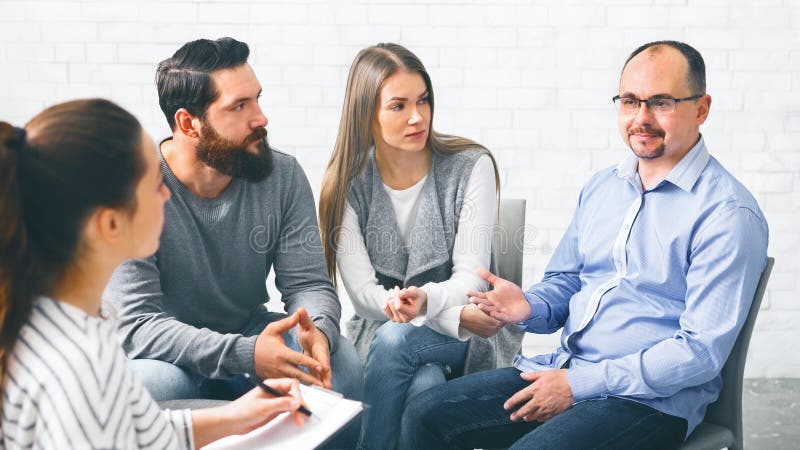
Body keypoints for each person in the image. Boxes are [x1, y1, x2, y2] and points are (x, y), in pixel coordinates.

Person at [401, 40, 769, 450]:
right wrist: (529, 305)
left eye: (661, 103)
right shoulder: (603, 188)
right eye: (630, 101)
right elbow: (567, 280)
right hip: (566, 370)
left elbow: (699, 353)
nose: (641, 118)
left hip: (649, 403)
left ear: (701, 108)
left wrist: (578, 385)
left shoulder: (728, 214)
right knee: (426, 413)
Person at [0, 99, 308, 449]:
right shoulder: (80, 364)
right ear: (111, 223)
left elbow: (132, 431)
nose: (167, 194)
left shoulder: (55, 326)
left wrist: (237, 417)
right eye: (154, 184)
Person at [104, 37, 363, 406]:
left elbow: (308, 284)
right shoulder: (132, 190)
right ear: (189, 123)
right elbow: (138, 325)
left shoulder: (282, 176)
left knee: (343, 366)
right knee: (155, 386)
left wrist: (317, 331)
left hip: (247, 335)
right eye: (239, 106)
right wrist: (247, 353)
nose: (261, 118)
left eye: (257, 98)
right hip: (165, 355)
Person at [318, 42, 523, 449]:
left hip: (468, 335)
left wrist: (425, 301)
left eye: (423, 101)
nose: (417, 117)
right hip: (382, 332)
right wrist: (421, 310)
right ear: (366, 116)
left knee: (399, 341)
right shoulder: (345, 185)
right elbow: (361, 296)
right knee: (422, 380)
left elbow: (472, 279)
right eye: (398, 106)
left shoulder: (470, 165)